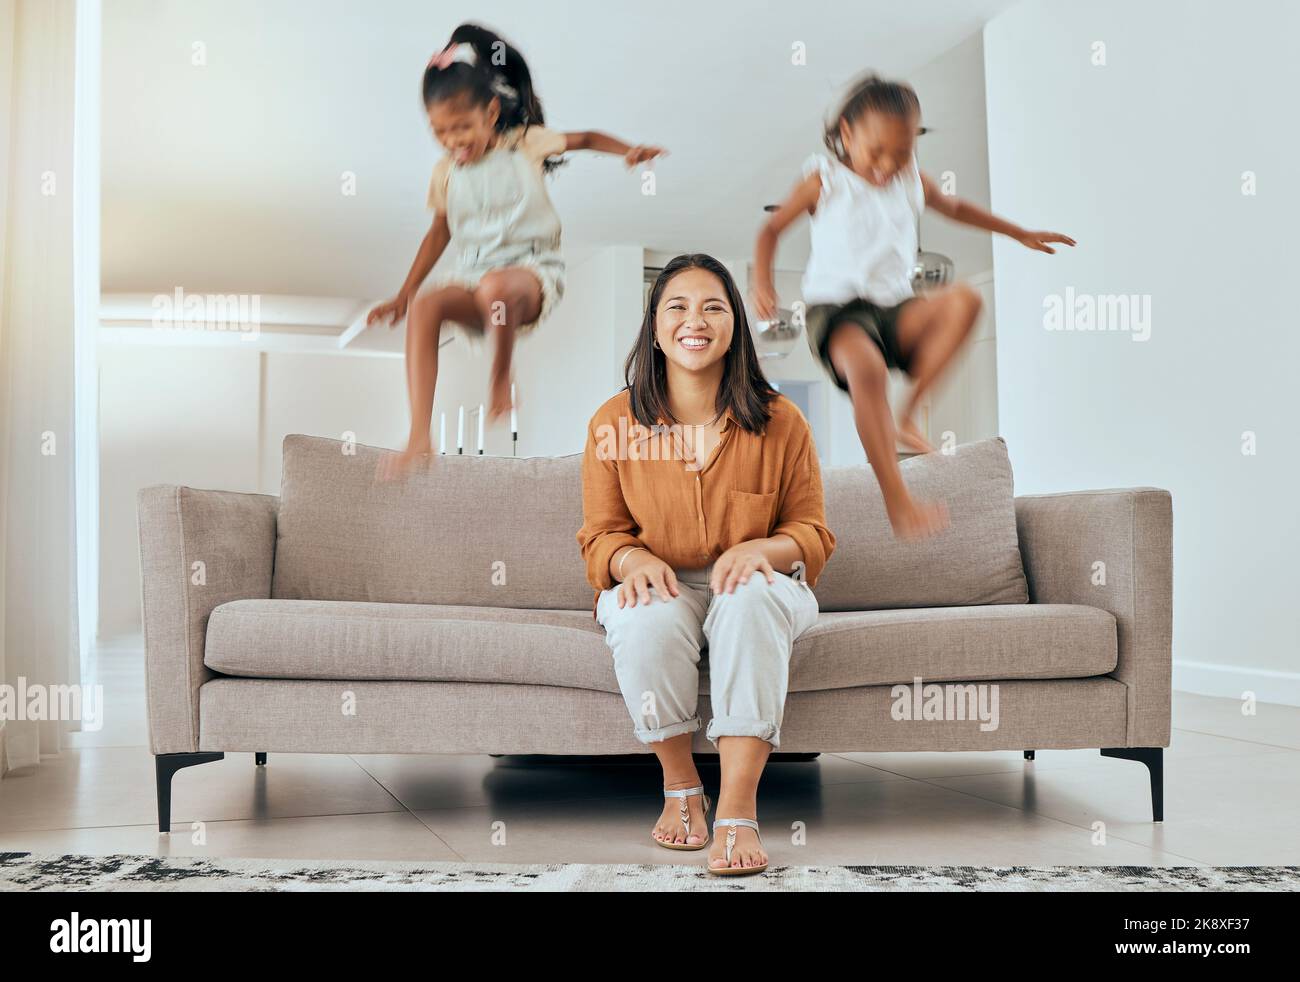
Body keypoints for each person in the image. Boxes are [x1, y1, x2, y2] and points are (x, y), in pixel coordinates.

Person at [577, 254, 835, 875]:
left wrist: (758, 551)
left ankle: (739, 808)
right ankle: (682, 786)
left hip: (762, 583)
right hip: (663, 584)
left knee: (747, 597)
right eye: (678, 306)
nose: (696, 320)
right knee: (645, 617)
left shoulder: (781, 421)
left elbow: (812, 533)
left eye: (713, 306)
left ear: (735, 326)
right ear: (655, 324)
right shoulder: (614, 422)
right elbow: (599, 536)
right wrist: (631, 557)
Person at [753, 72, 1074, 538]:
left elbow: (957, 208)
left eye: (901, 152)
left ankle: (908, 416)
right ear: (846, 134)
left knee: (964, 299)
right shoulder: (826, 179)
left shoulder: (908, 180)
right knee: (869, 371)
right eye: (875, 151)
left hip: (893, 309)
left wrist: (1017, 231)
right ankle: (897, 499)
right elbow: (770, 230)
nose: (887, 164)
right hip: (836, 311)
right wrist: (763, 280)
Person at [369, 22, 666, 477]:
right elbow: (438, 232)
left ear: (490, 113)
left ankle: (500, 377)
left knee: (498, 287)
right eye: (440, 133)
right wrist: (405, 292)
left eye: (462, 127)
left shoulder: (524, 144)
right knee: (429, 306)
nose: (453, 142)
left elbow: (583, 138)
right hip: (475, 279)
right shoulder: (445, 173)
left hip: (531, 273)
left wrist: (627, 151)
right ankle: (418, 434)